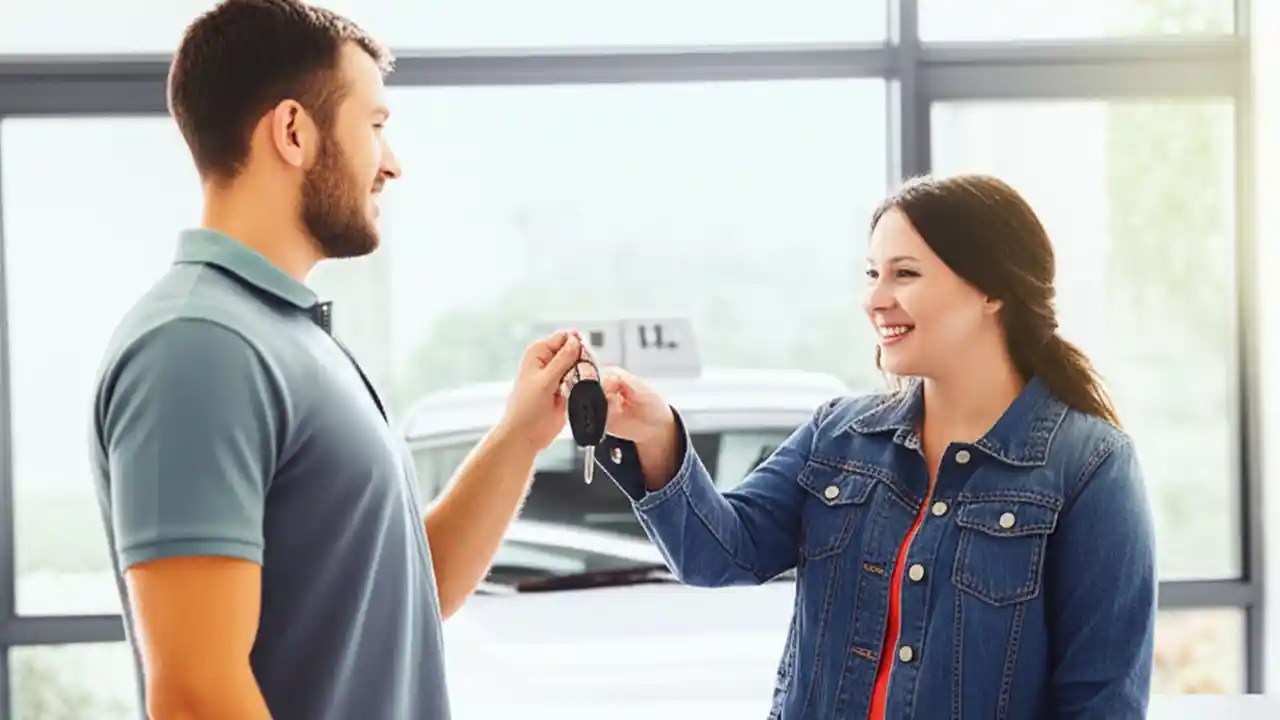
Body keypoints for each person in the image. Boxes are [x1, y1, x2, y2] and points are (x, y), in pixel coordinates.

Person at [87, 2, 583, 718]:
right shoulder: (199, 347)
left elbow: (415, 590)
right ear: (293, 131)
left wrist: (519, 438)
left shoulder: (284, 336)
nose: (393, 163)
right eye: (375, 126)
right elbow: (197, 692)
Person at [593, 173, 1157, 719]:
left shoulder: (1089, 465)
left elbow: (1100, 700)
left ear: (992, 290)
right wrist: (656, 432)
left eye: (904, 274)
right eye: (872, 273)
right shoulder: (839, 435)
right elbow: (717, 553)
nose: (874, 299)